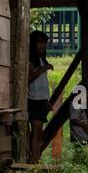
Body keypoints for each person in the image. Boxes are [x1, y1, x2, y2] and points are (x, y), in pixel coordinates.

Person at [27, 31, 54, 162]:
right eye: (40, 42)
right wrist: (44, 68)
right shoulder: (30, 59)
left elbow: (42, 83)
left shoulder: (42, 59)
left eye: (44, 43)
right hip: (33, 100)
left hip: (41, 100)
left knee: (38, 133)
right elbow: (28, 78)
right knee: (36, 132)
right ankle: (34, 162)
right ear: (33, 44)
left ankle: (35, 160)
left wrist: (46, 100)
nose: (43, 45)